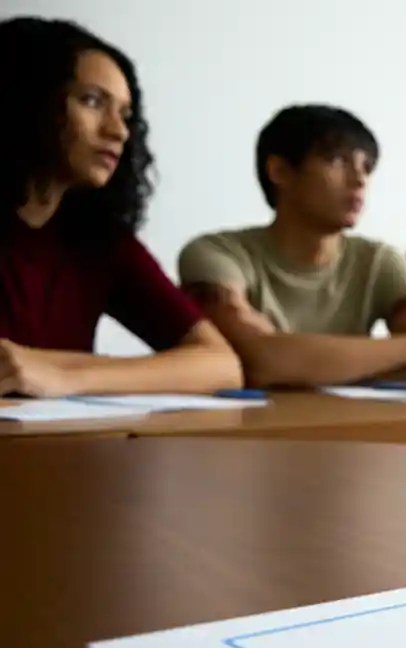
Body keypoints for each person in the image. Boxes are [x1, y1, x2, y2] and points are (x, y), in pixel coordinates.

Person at [0, 17, 240, 397]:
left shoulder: (97, 239)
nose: (119, 131)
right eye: (92, 101)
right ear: (24, 100)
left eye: (125, 115)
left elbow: (220, 364)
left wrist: (63, 376)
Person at [178, 105, 406, 388]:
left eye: (366, 167)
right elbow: (262, 360)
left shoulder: (377, 261)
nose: (359, 180)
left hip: (351, 431)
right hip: (244, 433)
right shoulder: (216, 254)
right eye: (337, 161)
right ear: (279, 170)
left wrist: (305, 364)